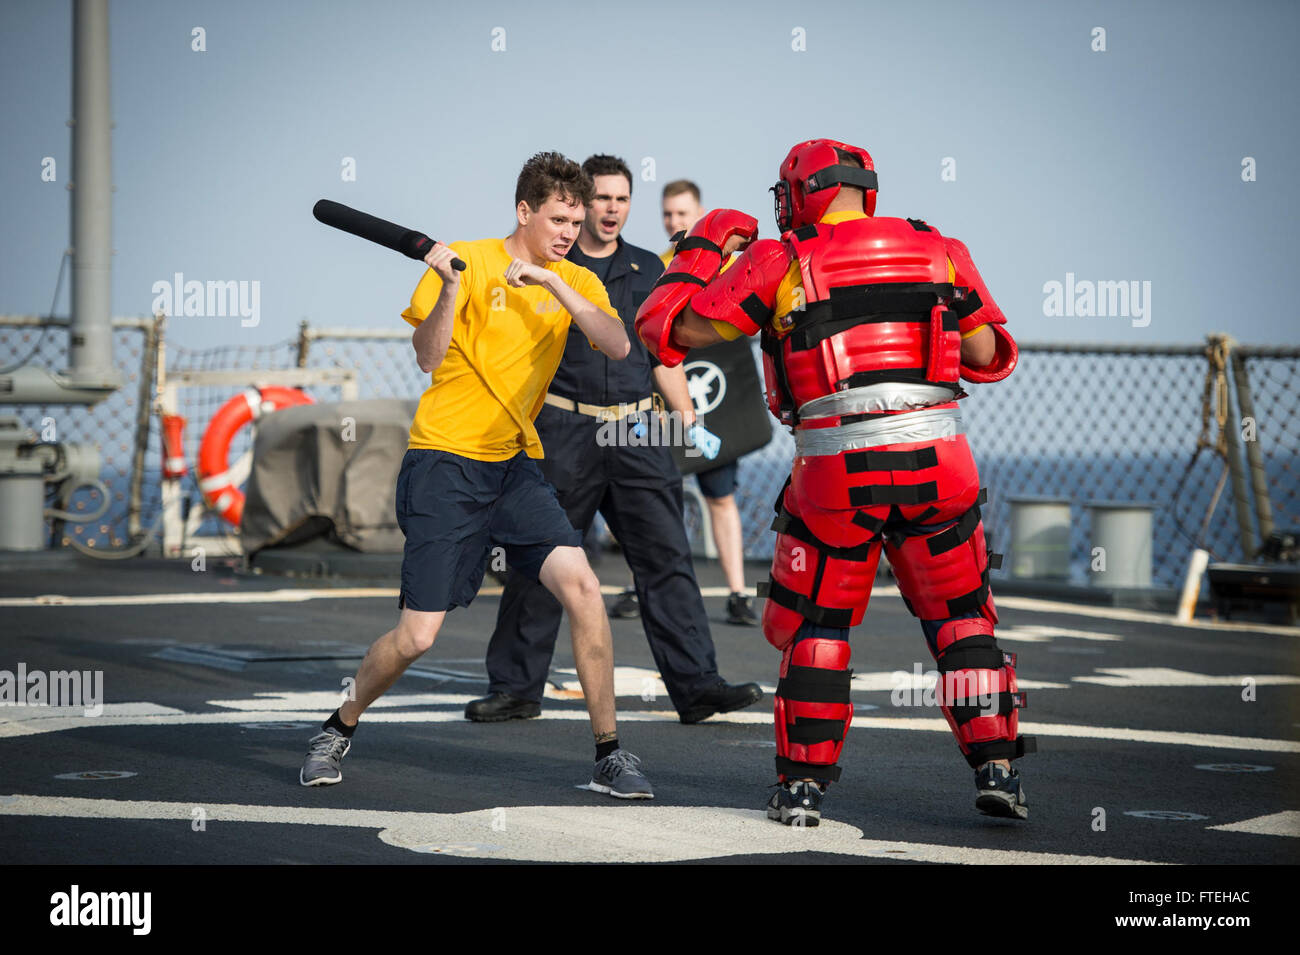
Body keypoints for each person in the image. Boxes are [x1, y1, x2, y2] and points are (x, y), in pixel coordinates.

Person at [635, 138, 1033, 825]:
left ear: (799, 193)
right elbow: (990, 354)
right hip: (939, 463)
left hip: (837, 471)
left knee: (818, 624)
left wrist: (701, 245)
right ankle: (998, 769)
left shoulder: (780, 260)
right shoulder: (938, 247)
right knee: (963, 618)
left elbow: (663, 329)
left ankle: (802, 789)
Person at [299, 151, 654, 799]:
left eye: (576, 219)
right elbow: (428, 357)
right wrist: (454, 290)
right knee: (417, 635)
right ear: (524, 211)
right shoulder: (464, 259)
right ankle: (337, 725)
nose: (570, 230)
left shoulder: (575, 279)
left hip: (514, 467)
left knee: (582, 589)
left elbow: (617, 343)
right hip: (444, 460)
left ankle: (610, 752)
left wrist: (551, 282)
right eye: (557, 217)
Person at [465, 155, 762, 726]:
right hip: (561, 432)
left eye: (621, 199)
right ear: (580, 204)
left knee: (668, 559)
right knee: (538, 562)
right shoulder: (545, 266)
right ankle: (515, 688)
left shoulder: (652, 268)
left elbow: (665, 352)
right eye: (600, 199)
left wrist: (689, 419)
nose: (610, 209)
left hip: (639, 430)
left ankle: (697, 686)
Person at [608, 179, 759, 626]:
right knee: (657, 494)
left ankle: (737, 594)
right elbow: (647, 340)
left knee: (720, 497)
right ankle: (642, 586)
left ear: (700, 213)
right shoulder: (657, 268)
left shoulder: (728, 266)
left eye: (683, 213)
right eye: (669, 214)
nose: (675, 221)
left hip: (719, 398)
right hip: (667, 398)